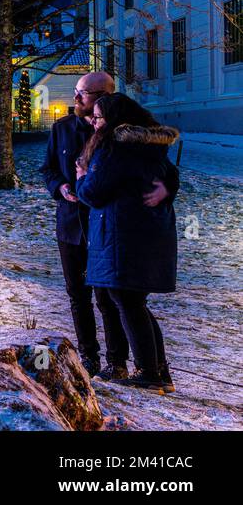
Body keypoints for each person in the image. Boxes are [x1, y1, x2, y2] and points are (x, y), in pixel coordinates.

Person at [75, 93, 180, 393]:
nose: (93, 122)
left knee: (127, 301)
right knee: (135, 302)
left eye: (98, 117)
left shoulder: (115, 148)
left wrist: (82, 177)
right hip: (149, 234)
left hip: (123, 234)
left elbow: (95, 192)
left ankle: (149, 372)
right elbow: (172, 177)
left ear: (115, 119)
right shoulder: (149, 145)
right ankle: (159, 371)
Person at [41, 71, 129, 378]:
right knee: (78, 295)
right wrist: (61, 188)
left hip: (104, 227)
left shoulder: (118, 134)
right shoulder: (63, 128)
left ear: (102, 97)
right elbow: (48, 169)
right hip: (69, 225)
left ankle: (116, 361)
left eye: (83, 94)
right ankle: (89, 356)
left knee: (108, 298)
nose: (76, 98)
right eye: (76, 92)